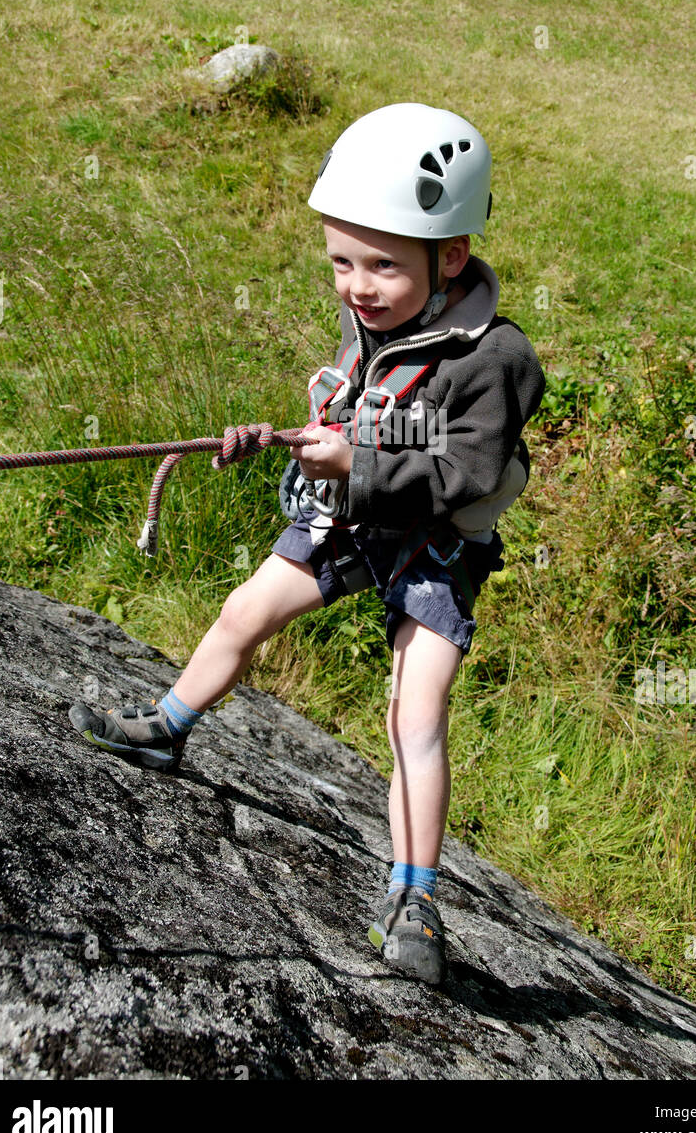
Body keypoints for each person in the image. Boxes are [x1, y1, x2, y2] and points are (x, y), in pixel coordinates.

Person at [70, 103, 546, 986]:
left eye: (381, 266)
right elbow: (352, 411)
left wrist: (355, 460)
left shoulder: (496, 358)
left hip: (436, 545)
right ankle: (166, 728)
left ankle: (416, 898)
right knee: (243, 610)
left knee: (415, 711)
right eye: (341, 262)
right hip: (354, 516)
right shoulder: (379, 319)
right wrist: (289, 439)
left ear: (450, 258)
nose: (358, 287)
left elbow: (469, 471)